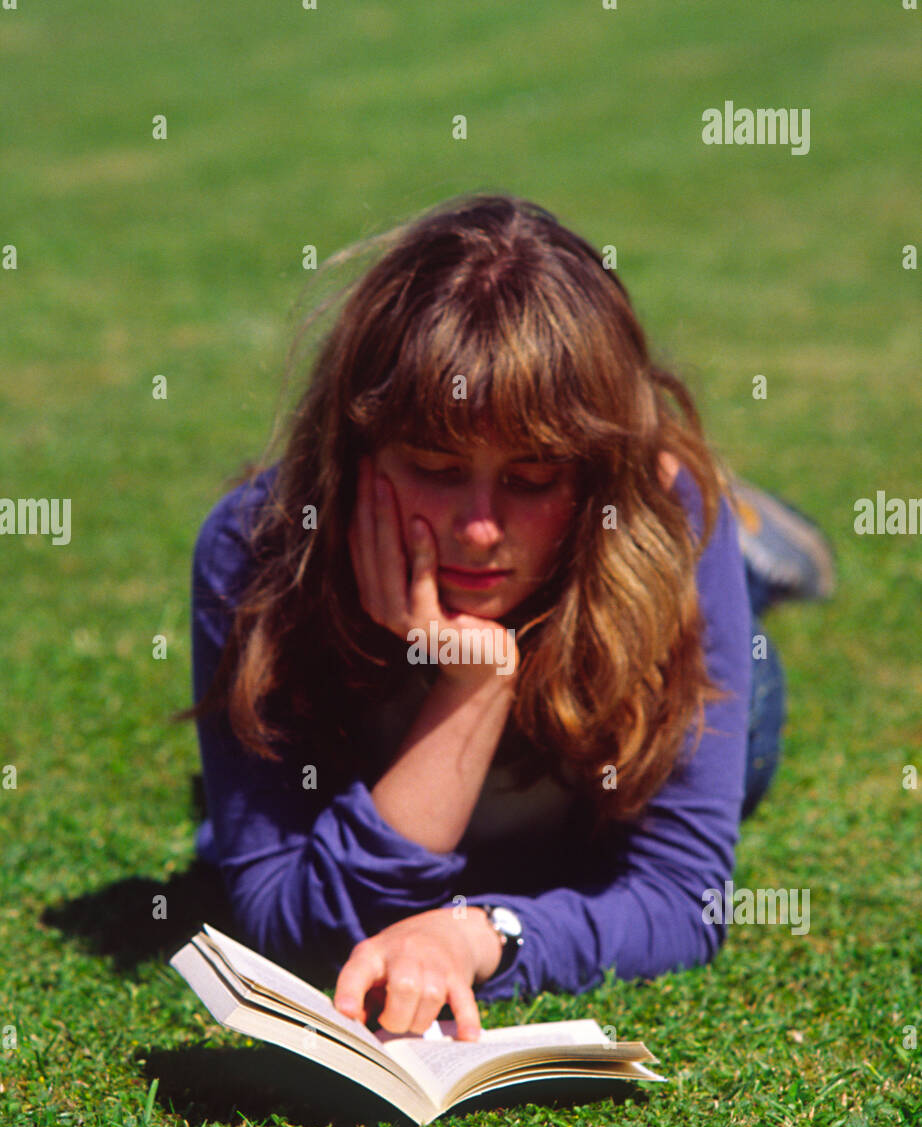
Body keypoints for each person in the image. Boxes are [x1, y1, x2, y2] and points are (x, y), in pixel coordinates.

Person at [178, 193, 836, 1043]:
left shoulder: (664, 526)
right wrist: (474, 689)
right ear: (353, 450)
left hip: (656, 623)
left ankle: (744, 544)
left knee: (738, 705)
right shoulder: (253, 549)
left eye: (531, 479)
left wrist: (480, 933)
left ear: (600, 482)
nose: (479, 528)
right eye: (435, 467)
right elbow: (291, 926)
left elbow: (681, 899)